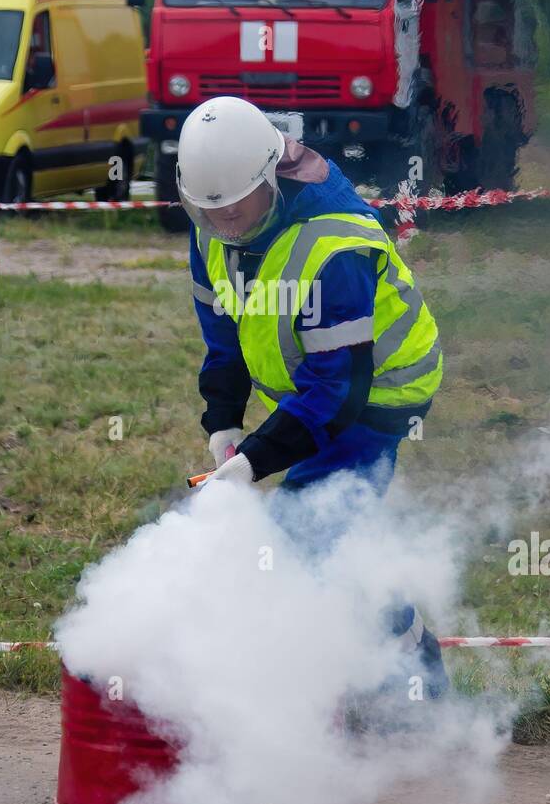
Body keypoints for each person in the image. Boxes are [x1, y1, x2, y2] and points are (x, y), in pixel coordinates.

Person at [178, 95, 448, 697]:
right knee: (317, 541)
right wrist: (223, 425)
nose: (220, 221)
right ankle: (340, 679)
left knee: (310, 536)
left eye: (231, 205)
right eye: (205, 206)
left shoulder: (333, 249)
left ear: (269, 178)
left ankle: (418, 690)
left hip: (379, 394)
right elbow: (224, 336)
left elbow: (339, 393)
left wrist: (252, 462)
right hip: (318, 389)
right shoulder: (215, 224)